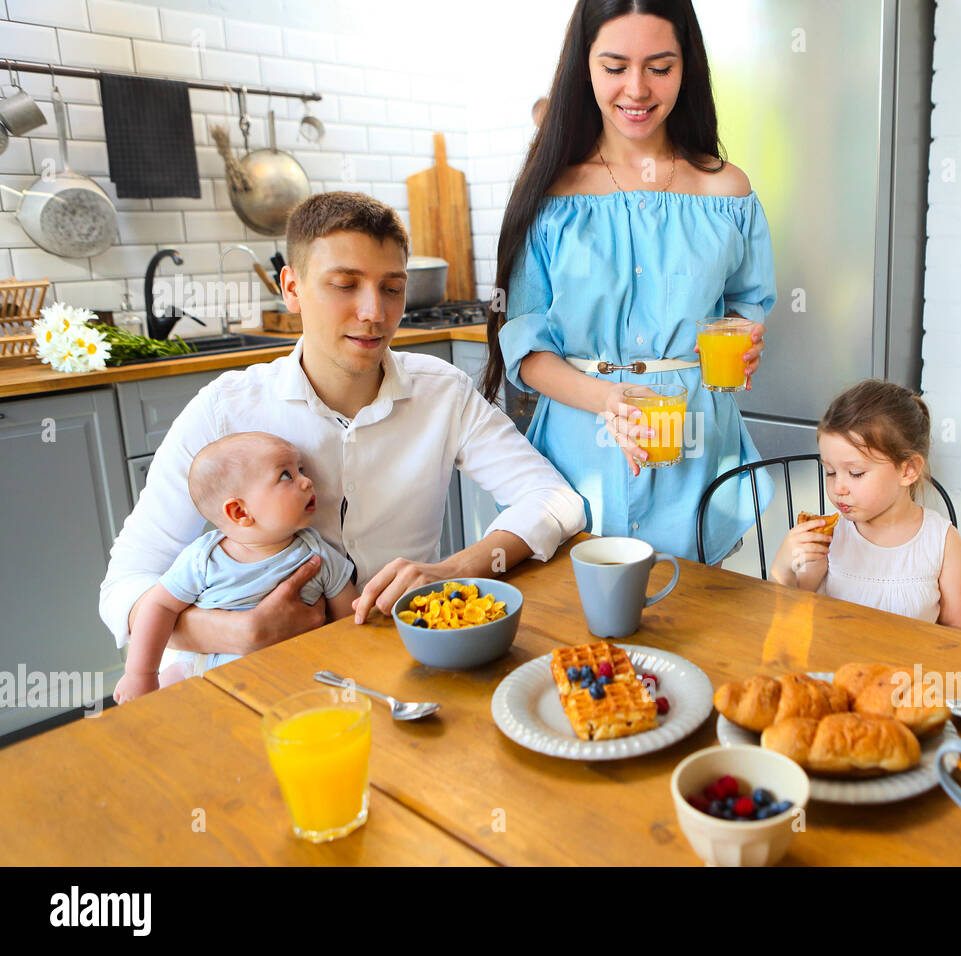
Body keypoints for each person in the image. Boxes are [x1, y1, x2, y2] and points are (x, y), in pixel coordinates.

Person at [99, 192, 586, 665]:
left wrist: (456, 569)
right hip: (242, 674)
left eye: (392, 288)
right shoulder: (225, 409)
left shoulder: (443, 392)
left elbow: (554, 499)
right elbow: (125, 584)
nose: (374, 313)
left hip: (397, 657)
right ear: (292, 289)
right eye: (345, 284)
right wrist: (236, 632)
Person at [480, 0, 777, 564]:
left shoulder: (727, 194)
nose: (636, 89)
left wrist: (745, 344)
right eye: (614, 67)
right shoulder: (551, 197)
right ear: (583, 66)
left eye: (659, 67)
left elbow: (746, 306)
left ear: (687, 67)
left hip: (695, 448)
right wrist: (606, 399)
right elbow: (525, 348)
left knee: (696, 625)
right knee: (576, 628)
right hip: (578, 449)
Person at [113, 433, 357, 703]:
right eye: (286, 476)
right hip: (201, 672)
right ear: (240, 512)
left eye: (300, 469)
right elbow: (159, 607)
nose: (306, 481)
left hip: (290, 680)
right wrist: (141, 673)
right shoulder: (203, 559)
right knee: (166, 705)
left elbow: (351, 623)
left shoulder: (316, 553)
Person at [770, 380, 961, 631]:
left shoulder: (942, 543)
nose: (838, 488)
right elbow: (788, 617)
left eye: (855, 473)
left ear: (908, 470)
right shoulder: (827, 538)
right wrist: (783, 567)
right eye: (831, 472)